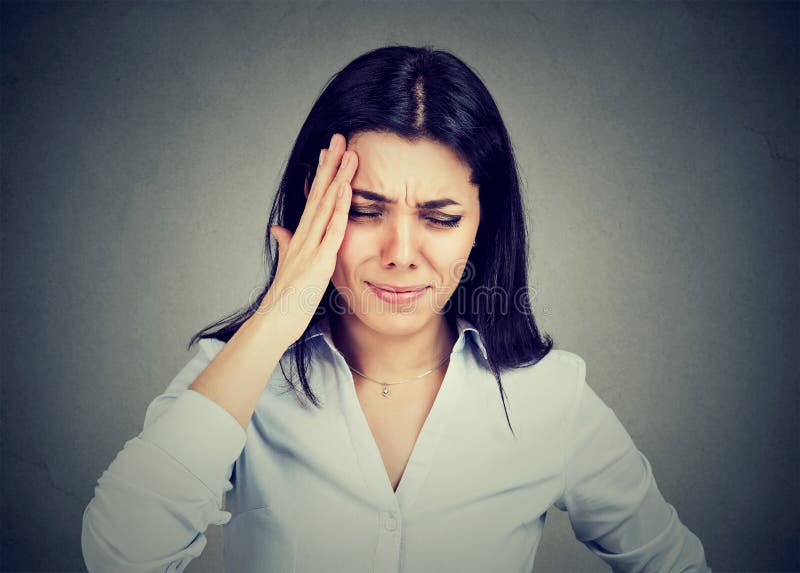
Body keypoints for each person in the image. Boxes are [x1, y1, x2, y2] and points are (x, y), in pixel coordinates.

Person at [81, 45, 711, 573]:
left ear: (482, 226)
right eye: (364, 211)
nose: (401, 255)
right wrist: (277, 318)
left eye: (441, 218)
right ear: (315, 204)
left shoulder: (549, 395)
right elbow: (120, 555)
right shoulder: (236, 374)